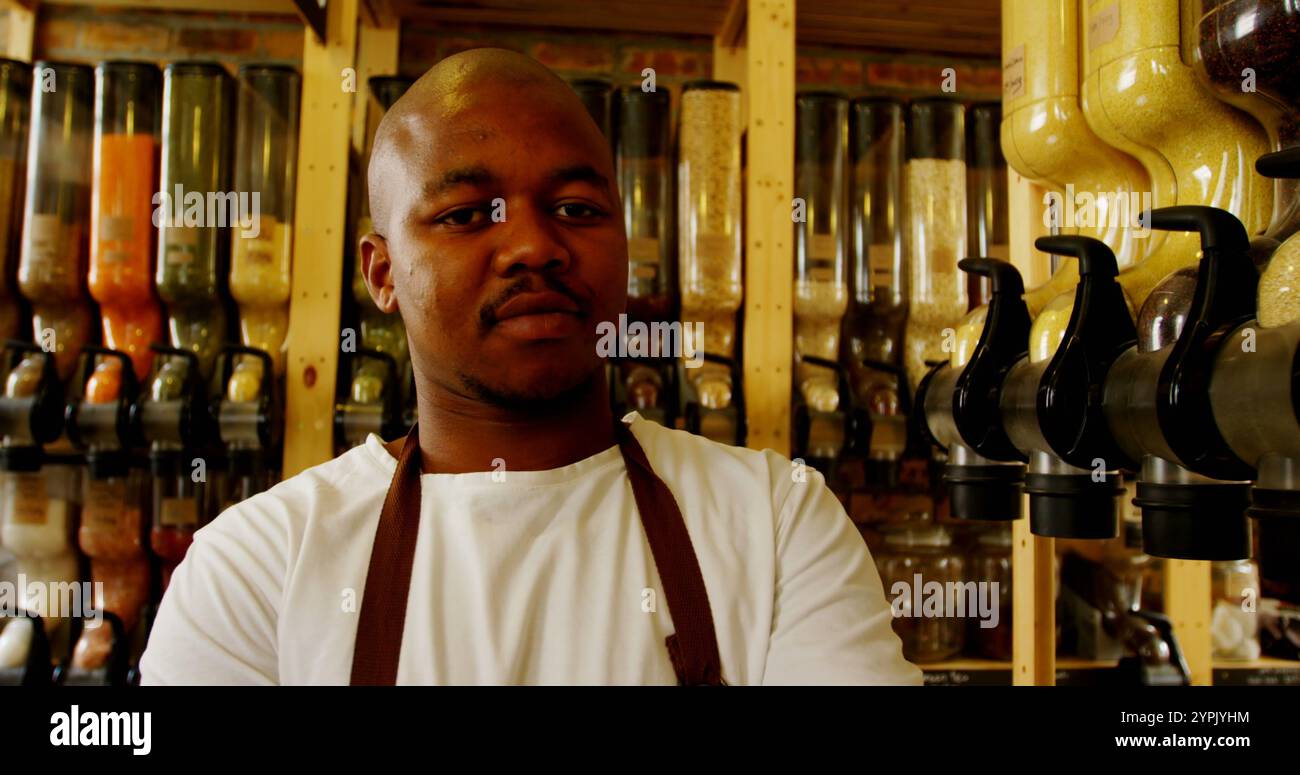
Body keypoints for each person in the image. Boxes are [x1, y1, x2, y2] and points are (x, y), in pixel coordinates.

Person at [140, 48, 921, 686]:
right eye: (467, 214)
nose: (534, 245)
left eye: (578, 209)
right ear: (381, 274)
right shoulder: (251, 572)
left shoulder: (779, 525)